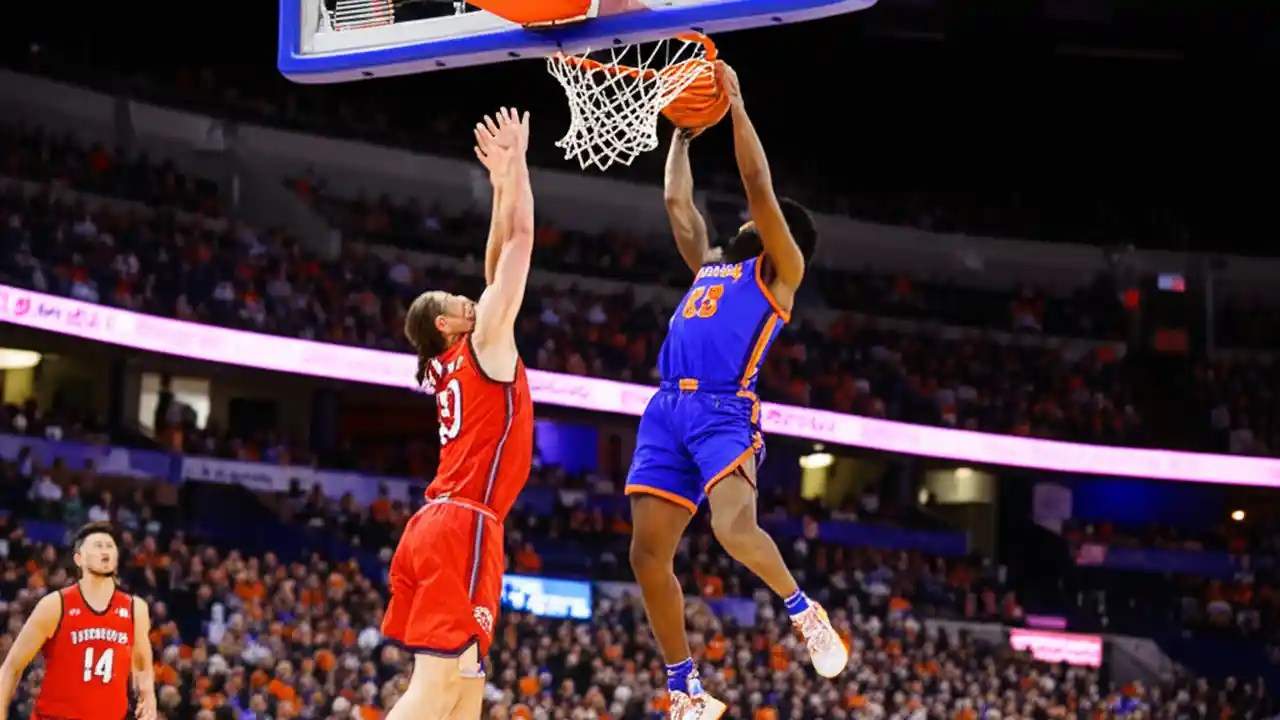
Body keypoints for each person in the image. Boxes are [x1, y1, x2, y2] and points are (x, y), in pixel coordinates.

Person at [625, 62, 848, 719]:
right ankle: (685, 690)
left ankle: (805, 612)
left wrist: (739, 104)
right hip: (666, 407)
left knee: (732, 527)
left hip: (725, 406)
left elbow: (756, 185)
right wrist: (684, 133)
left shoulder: (781, 273)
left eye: (764, 222)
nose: (748, 223)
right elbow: (675, 204)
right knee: (646, 553)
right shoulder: (714, 265)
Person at [380, 107, 536, 720]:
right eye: (454, 300)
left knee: (466, 691)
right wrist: (518, 165)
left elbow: (495, 266)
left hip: (438, 525)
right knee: (438, 689)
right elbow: (517, 248)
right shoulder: (482, 344)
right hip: (461, 526)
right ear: (445, 325)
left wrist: (501, 184)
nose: (468, 294)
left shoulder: (459, 356)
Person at [0, 522, 157, 720]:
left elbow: (142, 663)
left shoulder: (136, 608)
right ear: (79, 558)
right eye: (97, 546)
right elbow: (12, 667)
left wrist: (148, 695)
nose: (105, 551)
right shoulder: (55, 605)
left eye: (110, 546)